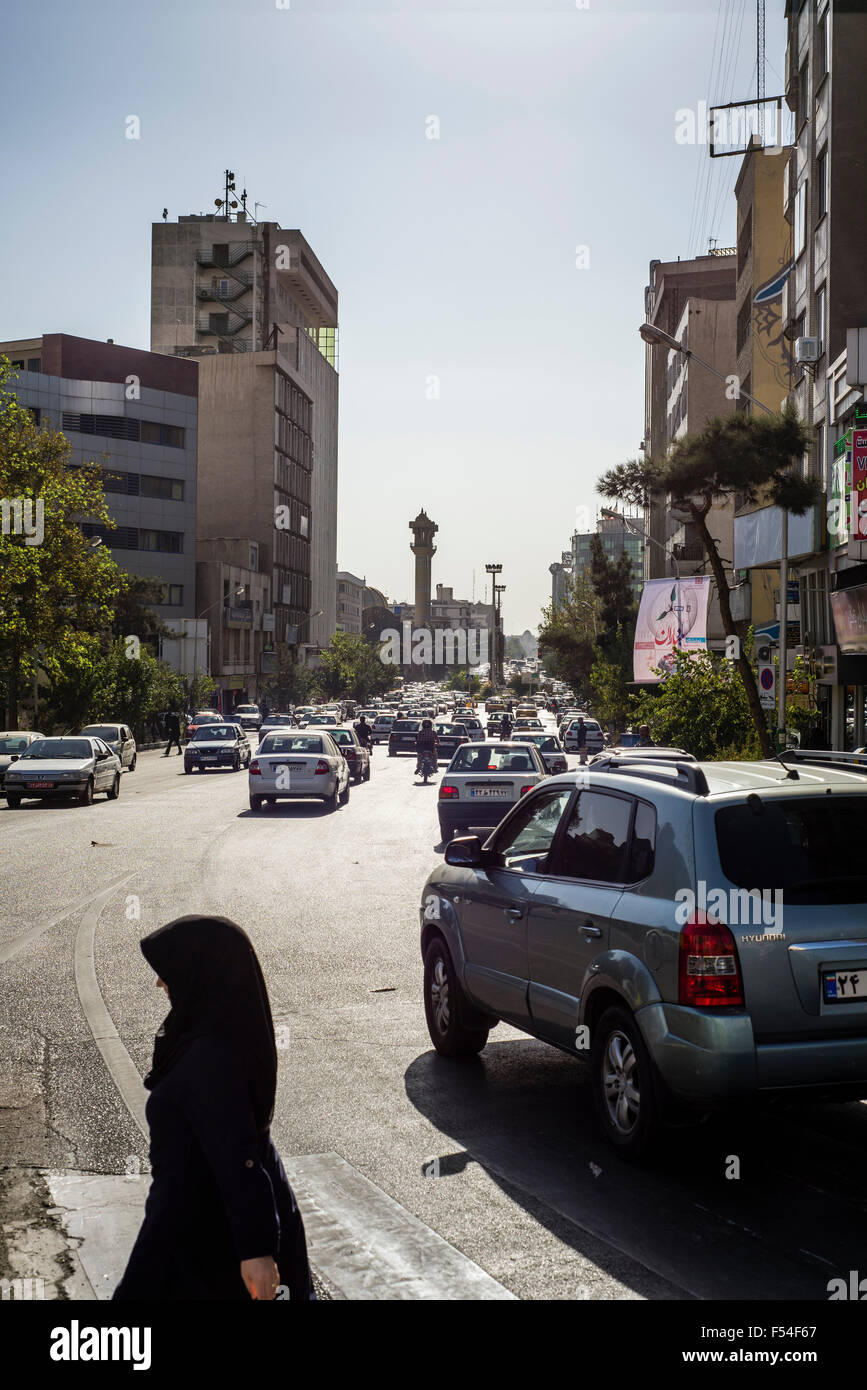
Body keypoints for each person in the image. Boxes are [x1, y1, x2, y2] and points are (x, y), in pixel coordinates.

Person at [114, 915, 316, 1301]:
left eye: (167, 971)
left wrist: (256, 1250)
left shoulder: (210, 1060)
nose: (159, 982)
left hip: (206, 1240)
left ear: (201, 975)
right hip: (192, 1231)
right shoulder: (211, 1036)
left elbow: (239, 1155)